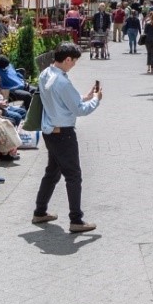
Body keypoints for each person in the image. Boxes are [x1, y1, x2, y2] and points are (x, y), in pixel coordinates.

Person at [33, 42, 102, 230]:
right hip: (64, 132)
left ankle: (40, 211)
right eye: (74, 61)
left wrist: (84, 97)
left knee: (53, 172)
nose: (74, 65)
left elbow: (61, 101)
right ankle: (76, 219)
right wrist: (96, 100)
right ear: (68, 59)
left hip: (50, 130)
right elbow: (79, 110)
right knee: (73, 175)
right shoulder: (62, 81)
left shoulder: (46, 73)